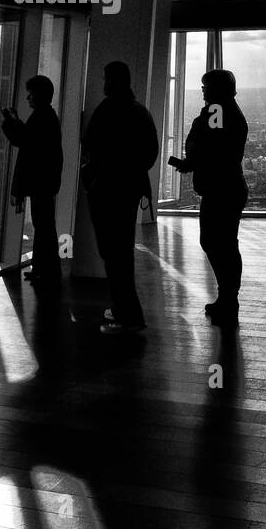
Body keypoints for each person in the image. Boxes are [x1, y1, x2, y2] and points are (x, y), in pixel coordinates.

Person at [80, 61, 159, 335]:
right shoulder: (140, 111)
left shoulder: (107, 109)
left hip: (106, 190)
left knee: (112, 253)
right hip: (129, 190)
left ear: (111, 81)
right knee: (121, 252)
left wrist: (97, 173)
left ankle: (128, 315)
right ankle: (125, 310)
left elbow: (89, 144)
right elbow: (149, 153)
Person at [171, 69, 248, 328]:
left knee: (218, 244)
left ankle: (228, 299)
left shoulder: (217, 112)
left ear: (217, 89)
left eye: (206, 86)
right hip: (226, 188)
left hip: (220, 190)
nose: (203, 91)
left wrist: (192, 161)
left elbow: (211, 146)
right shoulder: (225, 111)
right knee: (223, 244)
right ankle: (227, 298)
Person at [1, 75, 63, 290]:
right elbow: (30, 140)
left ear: (39, 95)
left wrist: (11, 123)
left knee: (43, 227)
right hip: (45, 182)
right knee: (45, 227)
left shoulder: (41, 117)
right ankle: (44, 270)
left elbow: (25, 141)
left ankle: (44, 271)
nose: (28, 98)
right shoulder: (47, 117)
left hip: (40, 182)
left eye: (31, 94)